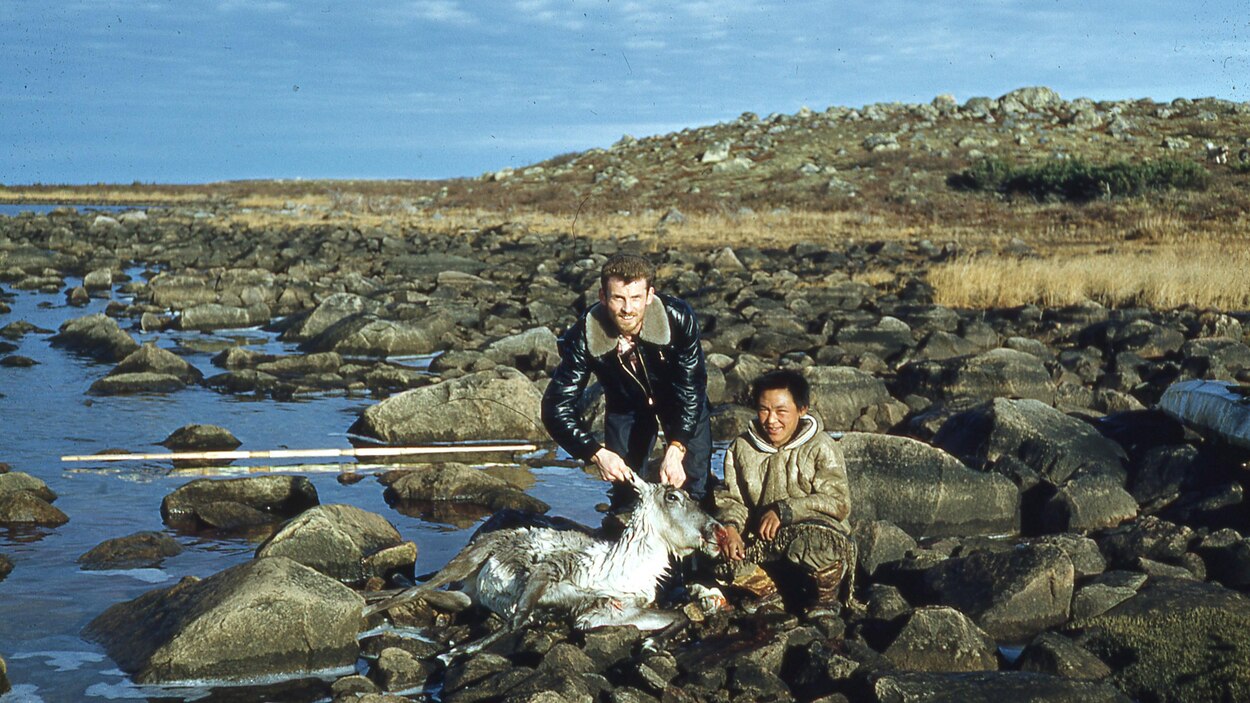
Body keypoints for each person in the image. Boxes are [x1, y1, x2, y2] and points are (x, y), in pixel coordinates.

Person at [541, 253, 713, 507]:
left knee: (697, 486)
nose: (627, 309)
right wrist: (594, 453)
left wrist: (677, 447)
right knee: (625, 494)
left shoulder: (678, 317)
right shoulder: (582, 336)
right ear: (603, 297)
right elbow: (555, 408)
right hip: (626, 407)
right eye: (618, 298)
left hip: (679, 401)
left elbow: (691, 387)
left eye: (635, 298)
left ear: (650, 295)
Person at [713, 369, 858, 616]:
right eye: (763, 410)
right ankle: (769, 593)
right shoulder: (741, 448)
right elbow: (733, 500)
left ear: (801, 410)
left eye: (781, 411)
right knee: (716, 547)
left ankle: (824, 598)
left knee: (818, 546)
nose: (771, 420)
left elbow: (838, 502)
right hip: (765, 542)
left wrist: (785, 510)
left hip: (811, 534)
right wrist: (732, 529)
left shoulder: (821, 446)